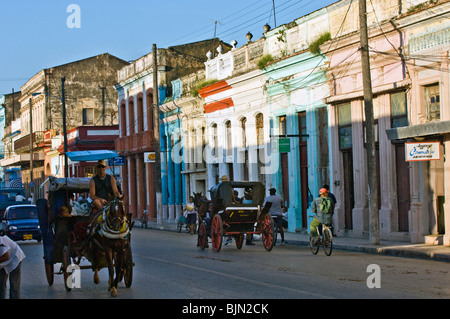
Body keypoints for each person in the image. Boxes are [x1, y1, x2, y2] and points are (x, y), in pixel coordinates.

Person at [0, 233, 25, 299]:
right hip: (3, 262)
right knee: (1, 284)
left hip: (15, 257)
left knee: (14, 285)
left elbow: (6, 256)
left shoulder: (0, 240)